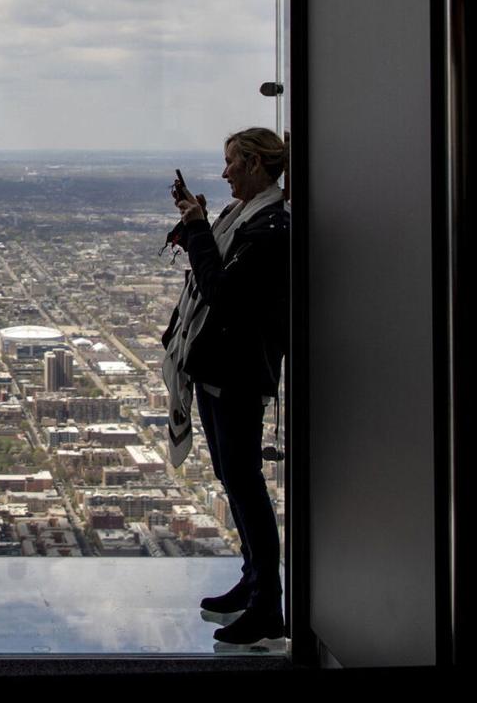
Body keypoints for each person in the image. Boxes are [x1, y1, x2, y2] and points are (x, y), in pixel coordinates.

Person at [161, 127, 290, 645]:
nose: (225, 172)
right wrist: (199, 220)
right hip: (220, 369)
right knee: (234, 481)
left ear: (256, 164)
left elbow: (221, 290)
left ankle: (267, 607)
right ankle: (252, 582)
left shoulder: (270, 228)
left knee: (245, 486)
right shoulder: (247, 217)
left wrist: (197, 228)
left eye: (232, 162)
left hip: (238, 373)